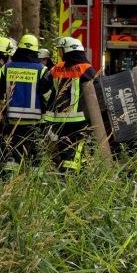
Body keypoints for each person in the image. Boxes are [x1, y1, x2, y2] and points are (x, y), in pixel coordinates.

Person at [0, 34, 54, 169]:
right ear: (36, 51)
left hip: (13, 118)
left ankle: (11, 176)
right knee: (36, 152)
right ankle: (36, 177)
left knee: (14, 151)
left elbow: (1, 91)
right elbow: (47, 95)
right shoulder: (42, 70)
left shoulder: (6, 67)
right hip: (35, 119)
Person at [43, 36, 96, 173]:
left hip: (59, 118)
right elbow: (95, 91)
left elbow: (43, 86)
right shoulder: (86, 68)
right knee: (77, 145)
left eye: (61, 50)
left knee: (64, 145)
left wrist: (50, 103)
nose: (60, 54)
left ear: (68, 51)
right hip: (79, 118)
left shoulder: (56, 68)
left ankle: (73, 171)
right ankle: (71, 173)